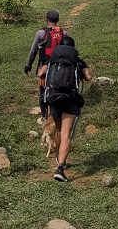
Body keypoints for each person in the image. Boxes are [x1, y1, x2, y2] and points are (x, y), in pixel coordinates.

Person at [38, 34, 92, 182]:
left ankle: (57, 157)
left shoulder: (53, 59)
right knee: (66, 134)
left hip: (54, 98)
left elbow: (40, 73)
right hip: (70, 99)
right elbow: (88, 77)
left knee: (59, 130)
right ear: (73, 48)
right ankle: (60, 168)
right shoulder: (77, 60)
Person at [25, 10, 64, 119]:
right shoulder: (63, 32)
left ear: (46, 19)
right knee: (56, 88)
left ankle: (44, 116)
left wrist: (29, 65)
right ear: (58, 20)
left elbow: (33, 51)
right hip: (59, 66)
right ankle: (55, 114)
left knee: (43, 90)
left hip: (44, 65)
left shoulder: (41, 33)